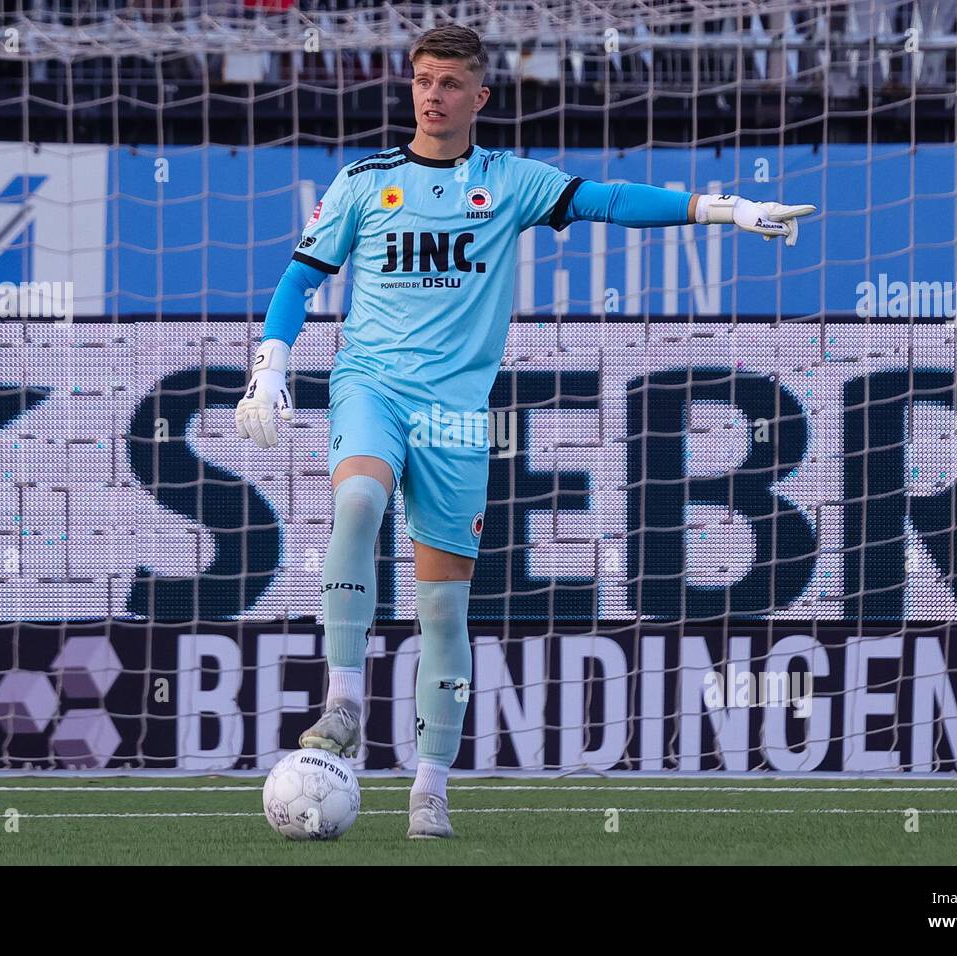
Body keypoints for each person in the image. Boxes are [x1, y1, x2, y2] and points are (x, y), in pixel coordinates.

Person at [236, 24, 814, 839]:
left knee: (442, 612)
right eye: (423, 80)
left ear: (481, 97)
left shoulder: (507, 183)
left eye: (449, 83)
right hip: (372, 388)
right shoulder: (366, 182)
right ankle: (342, 702)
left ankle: (429, 790)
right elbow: (300, 278)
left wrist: (722, 208)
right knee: (358, 501)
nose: (433, 95)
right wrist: (271, 364)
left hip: (457, 416)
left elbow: (607, 200)